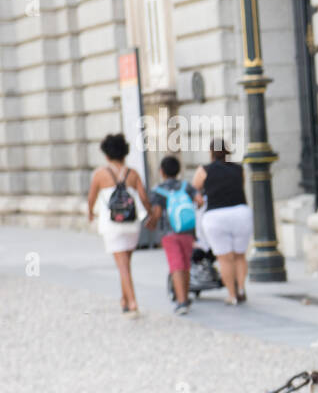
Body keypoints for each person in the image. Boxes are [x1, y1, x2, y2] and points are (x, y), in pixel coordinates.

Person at [86, 133, 148, 316]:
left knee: (122, 266)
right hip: (131, 223)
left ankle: (133, 302)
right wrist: (151, 214)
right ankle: (124, 299)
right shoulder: (133, 173)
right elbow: (144, 198)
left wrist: (90, 213)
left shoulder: (100, 174)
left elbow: (91, 197)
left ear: (106, 154)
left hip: (112, 224)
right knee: (126, 263)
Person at [191, 139, 252, 305]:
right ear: (228, 151)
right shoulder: (239, 169)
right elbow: (241, 186)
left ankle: (231, 295)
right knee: (240, 255)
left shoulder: (204, 170)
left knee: (225, 258)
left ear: (211, 153)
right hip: (241, 212)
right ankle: (241, 288)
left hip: (216, 216)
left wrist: (200, 201)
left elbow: (194, 191)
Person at [147, 154, 201, 315]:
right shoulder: (186, 186)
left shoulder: (158, 191)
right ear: (179, 171)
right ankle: (185, 296)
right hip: (187, 230)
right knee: (185, 264)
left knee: (176, 265)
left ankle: (181, 301)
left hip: (169, 232)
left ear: (161, 171)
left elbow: (156, 212)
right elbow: (200, 200)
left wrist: (151, 223)